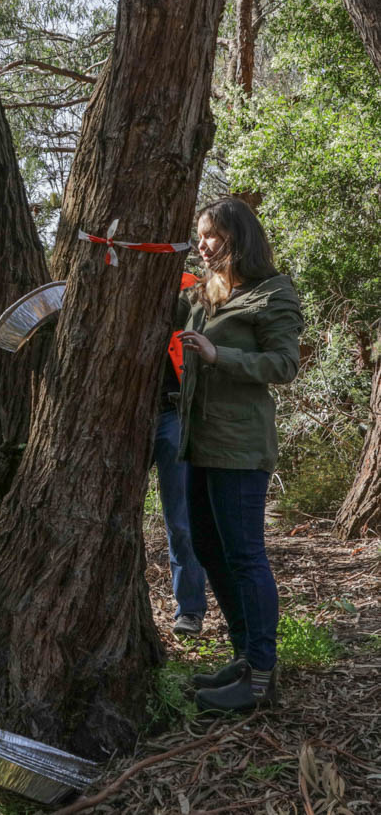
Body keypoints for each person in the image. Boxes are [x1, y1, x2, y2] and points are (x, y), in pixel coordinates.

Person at [175, 198, 303, 713]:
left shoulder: (274, 293)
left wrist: (217, 354)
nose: (203, 246)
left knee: (245, 555)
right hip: (198, 444)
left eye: (212, 236)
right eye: (200, 236)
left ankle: (261, 674)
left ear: (239, 237)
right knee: (208, 549)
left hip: (241, 448)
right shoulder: (206, 292)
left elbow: (285, 364)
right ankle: (243, 659)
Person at [154, 273, 207, 637]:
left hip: (170, 414)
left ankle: (189, 609)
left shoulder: (181, 304)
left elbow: (177, 312)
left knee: (181, 519)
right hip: (120, 416)